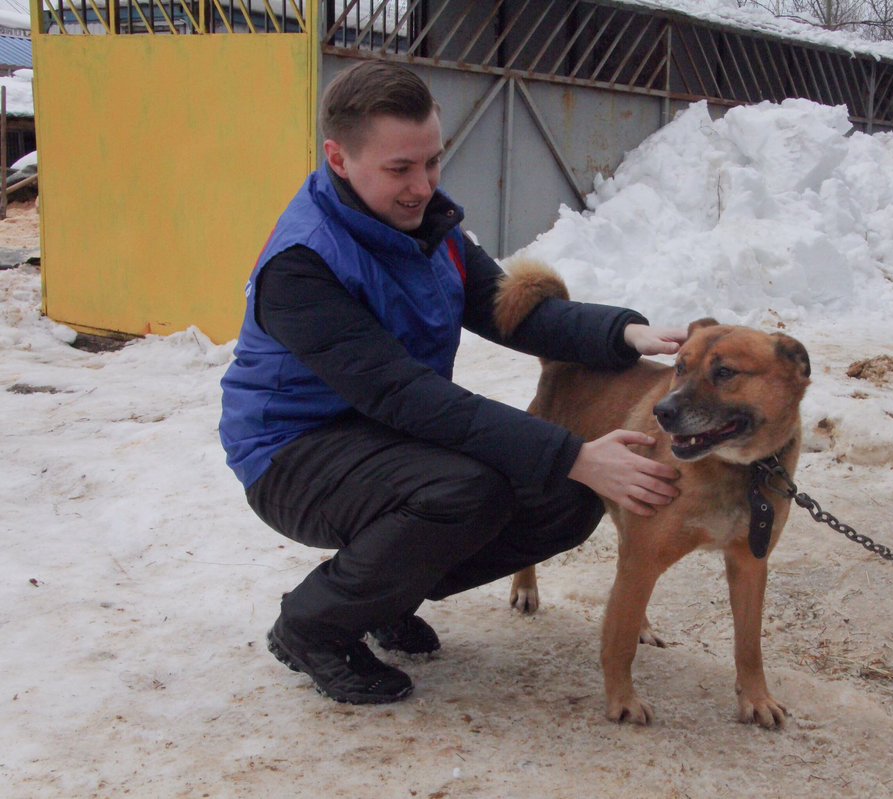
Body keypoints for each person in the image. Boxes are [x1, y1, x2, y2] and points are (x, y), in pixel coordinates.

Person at [218, 60, 684, 705]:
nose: (422, 186)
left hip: (386, 438)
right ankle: (313, 625)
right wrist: (573, 452)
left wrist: (625, 335)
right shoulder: (303, 264)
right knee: (466, 491)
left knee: (565, 500)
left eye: (432, 162)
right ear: (340, 158)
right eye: (400, 169)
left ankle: (383, 593)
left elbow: (513, 308)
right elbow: (406, 396)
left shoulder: (429, 230)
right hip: (292, 454)